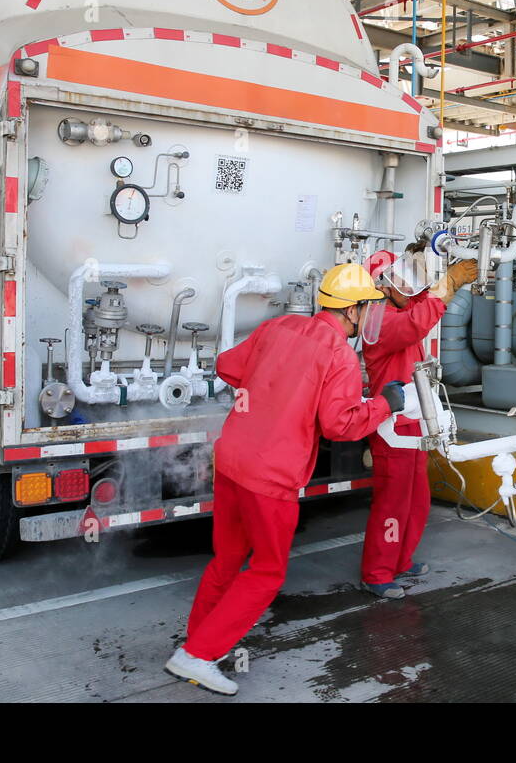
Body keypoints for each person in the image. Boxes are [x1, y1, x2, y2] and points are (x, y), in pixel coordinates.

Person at [164, 262, 404, 695]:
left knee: (226, 560)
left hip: (233, 458)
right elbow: (340, 425)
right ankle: (197, 656)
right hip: (270, 476)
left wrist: (277, 392)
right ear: (352, 311)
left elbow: (227, 366)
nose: (370, 316)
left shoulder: (278, 327)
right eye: (368, 307)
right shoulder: (340, 357)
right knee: (267, 571)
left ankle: (200, 645)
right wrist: (386, 403)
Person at [359, 247, 477, 598]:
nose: (405, 282)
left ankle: (401, 560)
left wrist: (437, 276)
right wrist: (450, 282)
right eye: (397, 277)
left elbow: (420, 305)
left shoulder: (398, 307)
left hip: (412, 423)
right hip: (392, 426)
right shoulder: (378, 321)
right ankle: (377, 573)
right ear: (381, 286)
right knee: (392, 503)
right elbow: (415, 323)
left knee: (416, 499)